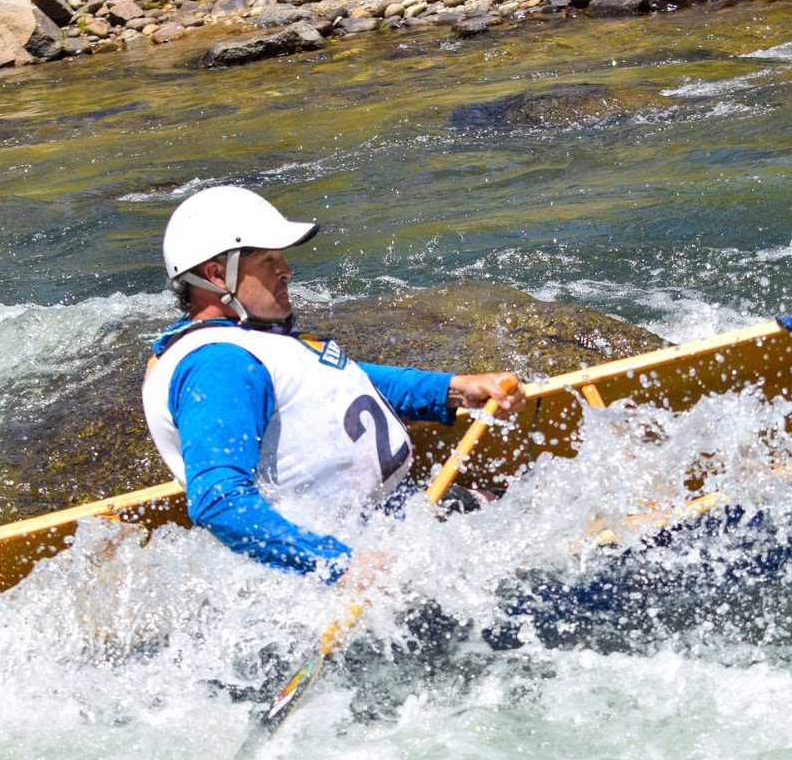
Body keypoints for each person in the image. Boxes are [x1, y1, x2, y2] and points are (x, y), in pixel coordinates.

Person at [141, 185, 526, 588]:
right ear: (217, 275)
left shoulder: (251, 342)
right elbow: (219, 500)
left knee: (519, 511)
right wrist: (339, 564)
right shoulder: (219, 364)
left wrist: (453, 390)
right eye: (268, 261)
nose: (286, 270)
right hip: (339, 565)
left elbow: (338, 383)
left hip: (395, 519)